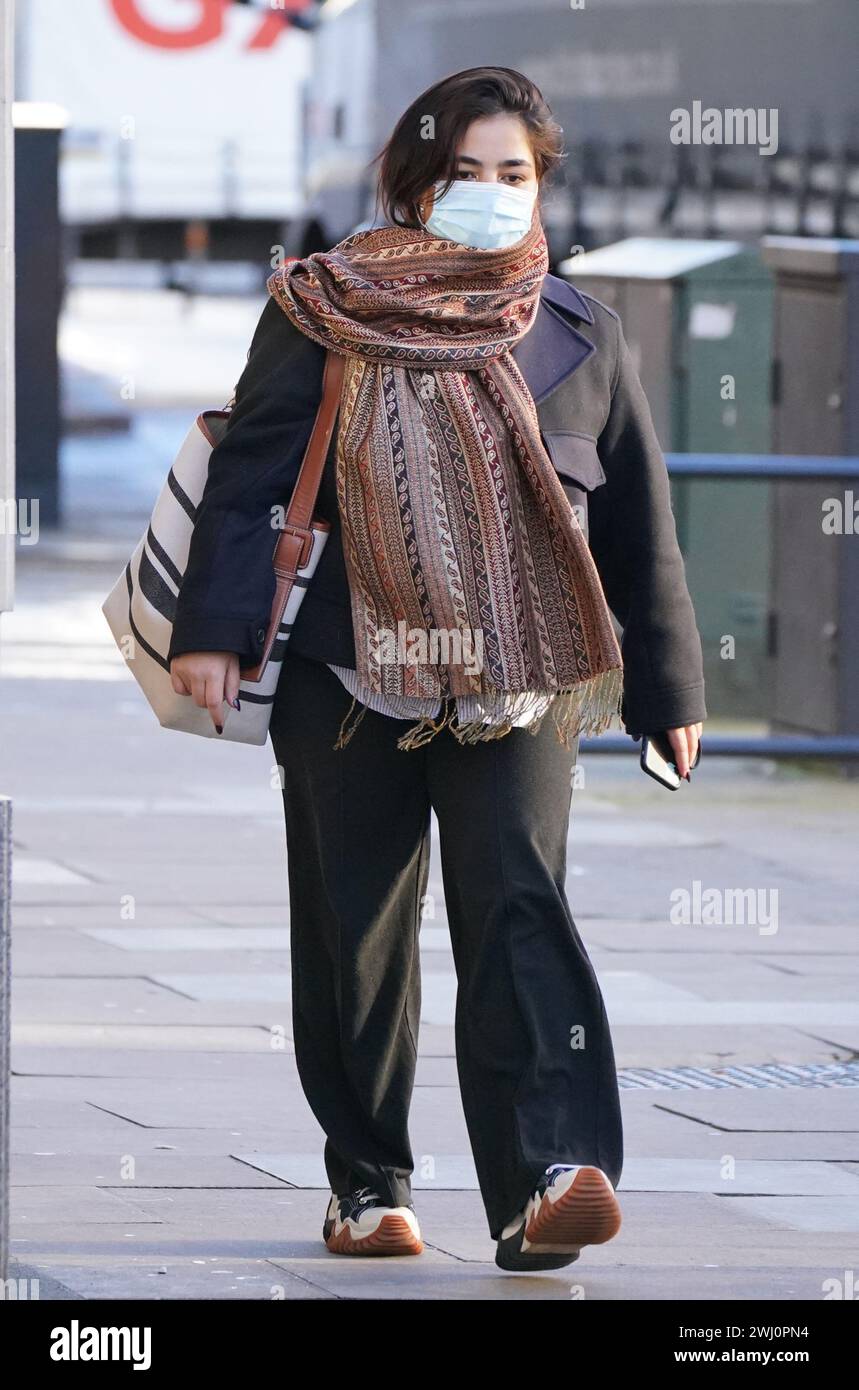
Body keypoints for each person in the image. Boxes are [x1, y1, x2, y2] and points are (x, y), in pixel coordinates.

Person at [168, 67, 705, 1273]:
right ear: (415, 181)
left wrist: (668, 689)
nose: (489, 194)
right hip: (347, 672)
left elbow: (636, 528)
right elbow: (252, 474)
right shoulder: (320, 309)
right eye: (465, 171)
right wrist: (211, 629)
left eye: (512, 173)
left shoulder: (576, 330)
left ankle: (548, 1176)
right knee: (358, 928)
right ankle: (368, 1183)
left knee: (520, 906)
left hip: (520, 682)